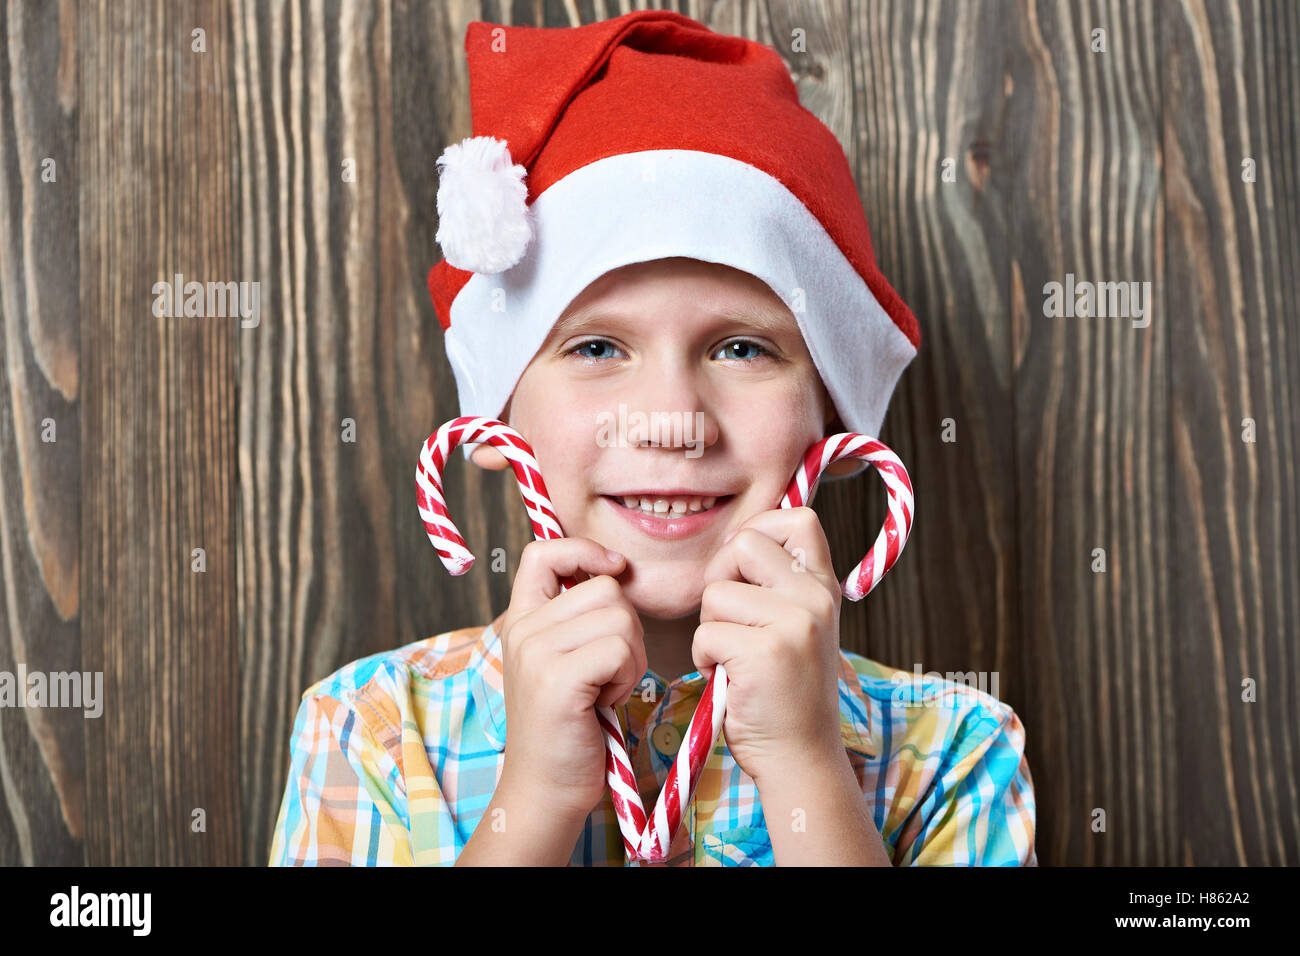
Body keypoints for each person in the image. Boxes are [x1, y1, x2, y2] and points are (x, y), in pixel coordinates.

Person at [268, 9, 1036, 867]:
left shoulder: (955, 754)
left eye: (741, 348)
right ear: (493, 417)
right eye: (597, 347)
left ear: (832, 407)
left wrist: (806, 765)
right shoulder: (370, 731)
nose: (671, 419)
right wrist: (536, 799)